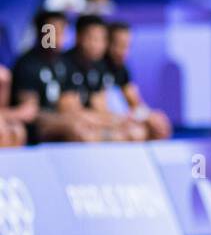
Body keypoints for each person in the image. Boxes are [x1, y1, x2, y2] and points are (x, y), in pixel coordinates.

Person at [9, 10, 100, 143]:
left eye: (61, 31)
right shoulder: (27, 64)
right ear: (40, 33)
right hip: (36, 128)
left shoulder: (64, 63)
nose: (57, 37)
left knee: (91, 128)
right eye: (51, 31)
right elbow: (30, 113)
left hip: (60, 120)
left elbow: (69, 105)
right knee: (77, 131)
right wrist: (66, 120)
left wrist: (94, 119)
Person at [65, 14, 146, 141]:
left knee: (137, 131)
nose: (97, 45)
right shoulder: (65, 65)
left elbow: (101, 106)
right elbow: (70, 112)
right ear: (78, 37)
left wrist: (144, 116)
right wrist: (117, 121)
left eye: (101, 40)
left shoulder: (99, 67)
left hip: (96, 121)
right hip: (69, 123)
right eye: (92, 38)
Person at [104, 21, 173, 140]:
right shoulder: (97, 67)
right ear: (107, 43)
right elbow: (101, 111)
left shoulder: (122, 69)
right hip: (107, 122)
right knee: (136, 133)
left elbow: (135, 102)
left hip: (124, 120)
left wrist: (150, 117)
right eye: (119, 45)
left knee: (159, 127)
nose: (124, 51)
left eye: (127, 46)